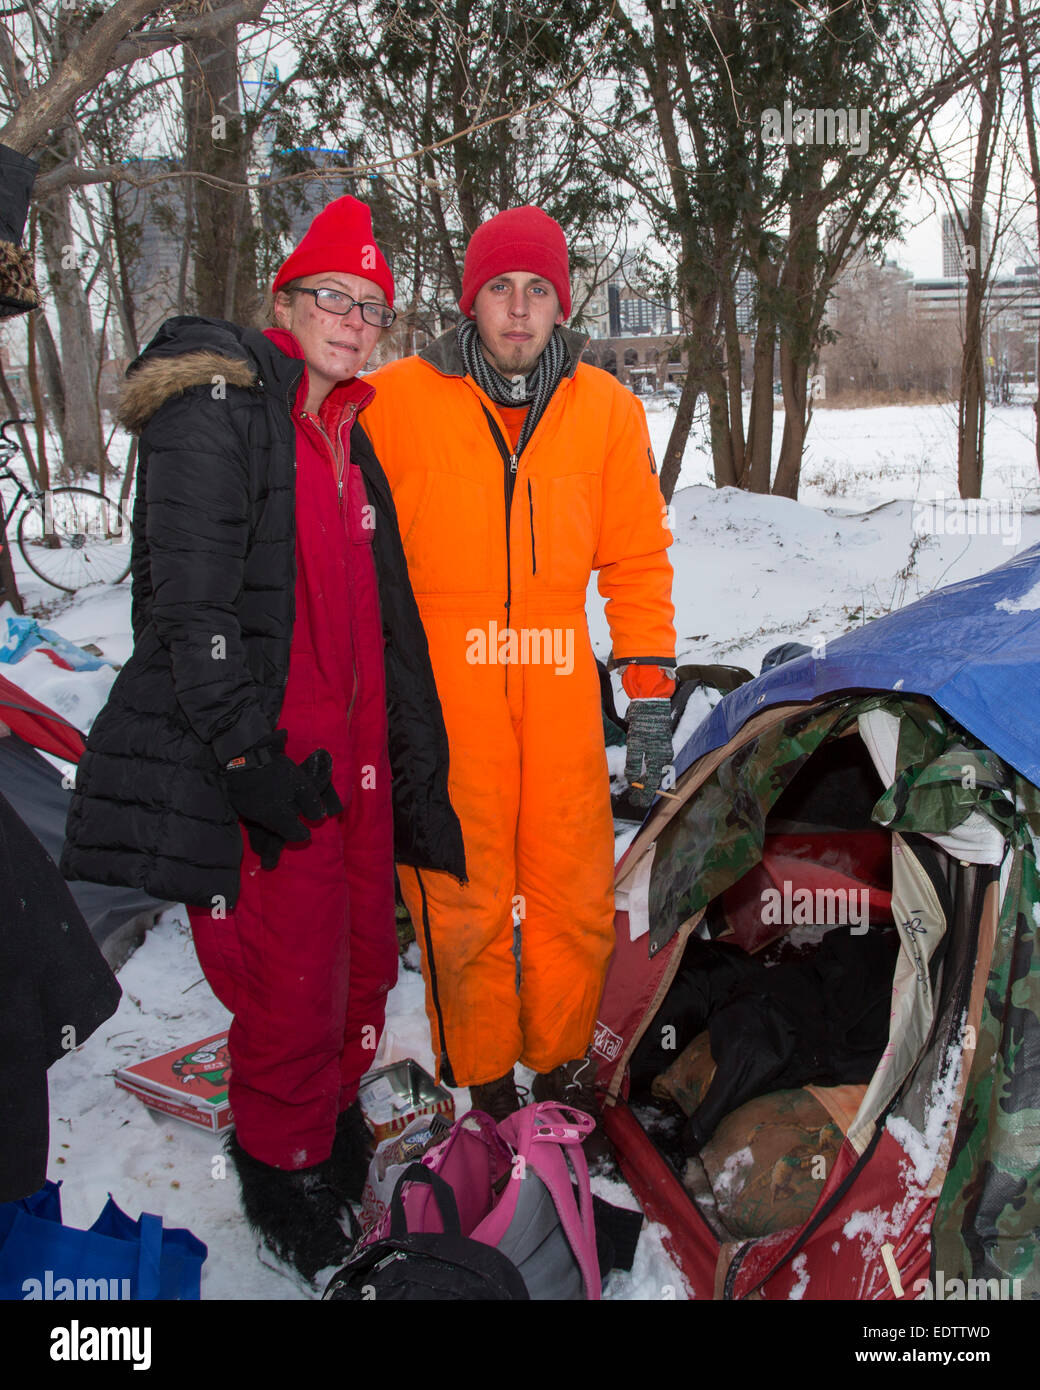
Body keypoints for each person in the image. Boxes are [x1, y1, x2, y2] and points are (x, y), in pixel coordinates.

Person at [61, 196, 464, 1282]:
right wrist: (247, 758)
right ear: (283, 303)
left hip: (351, 773)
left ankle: (331, 1141)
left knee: (361, 972)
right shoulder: (224, 410)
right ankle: (283, 1176)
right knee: (288, 985)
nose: (352, 319)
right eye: (331, 297)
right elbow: (187, 612)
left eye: (372, 307)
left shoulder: (349, 436)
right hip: (271, 771)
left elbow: (380, 624)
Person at [361, 205, 676, 1133]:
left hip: (556, 676)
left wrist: (648, 692)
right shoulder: (394, 403)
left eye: (539, 289)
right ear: (472, 298)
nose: (519, 309)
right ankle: (487, 1079)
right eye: (501, 287)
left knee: (573, 892)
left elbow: (636, 561)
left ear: (561, 304)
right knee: (462, 902)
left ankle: (563, 1068)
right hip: (445, 684)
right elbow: (336, 516)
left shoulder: (607, 409)